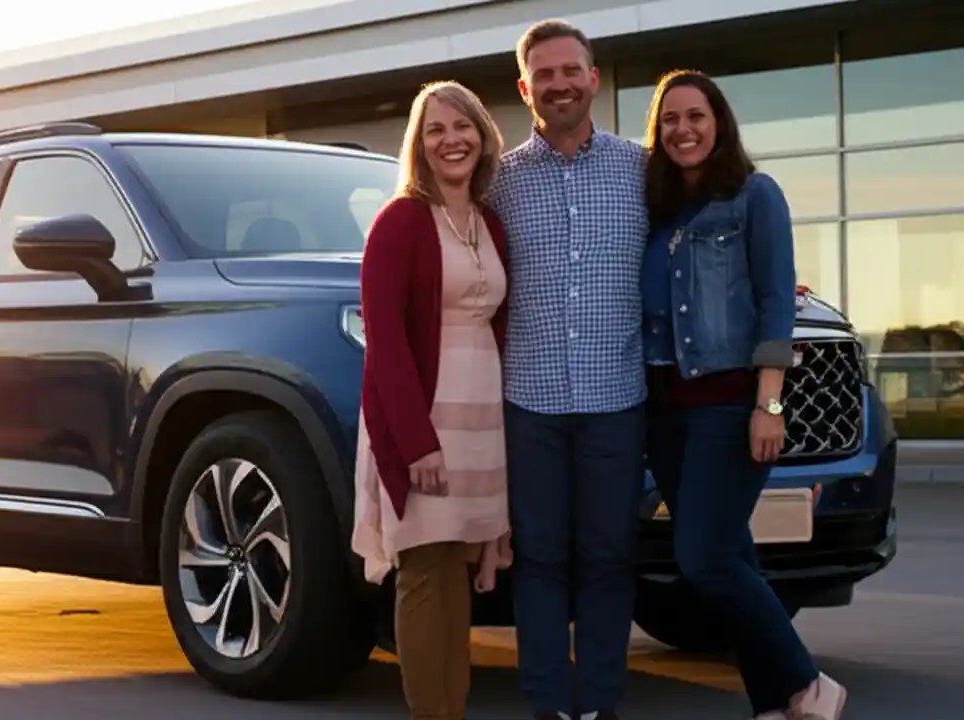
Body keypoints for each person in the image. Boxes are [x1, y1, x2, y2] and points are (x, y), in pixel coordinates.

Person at [639, 68, 848, 720]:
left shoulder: (755, 196)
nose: (683, 129)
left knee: (702, 559)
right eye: (670, 119)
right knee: (731, 555)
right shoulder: (659, 210)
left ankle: (809, 682)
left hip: (730, 410)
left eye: (695, 116)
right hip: (666, 412)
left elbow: (775, 305)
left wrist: (771, 405)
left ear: (719, 123)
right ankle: (772, 702)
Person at [485, 19, 649, 720]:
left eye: (569, 71)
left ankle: (602, 702)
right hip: (530, 404)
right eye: (542, 75)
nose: (558, 84)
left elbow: (696, 242)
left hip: (618, 398)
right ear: (525, 89)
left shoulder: (642, 170)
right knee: (543, 560)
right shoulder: (497, 182)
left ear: (593, 79)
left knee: (610, 558)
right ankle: (550, 703)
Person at [351, 79, 513, 720]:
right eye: (436, 129)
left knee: (455, 577)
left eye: (463, 126)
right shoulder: (399, 222)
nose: (452, 139)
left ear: (482, 134)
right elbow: (384, 340)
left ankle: (454, 709)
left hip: (483, 421)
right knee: (423, 572)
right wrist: (417, 440)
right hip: (423, 419)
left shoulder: (489, 220)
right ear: (419, 144)